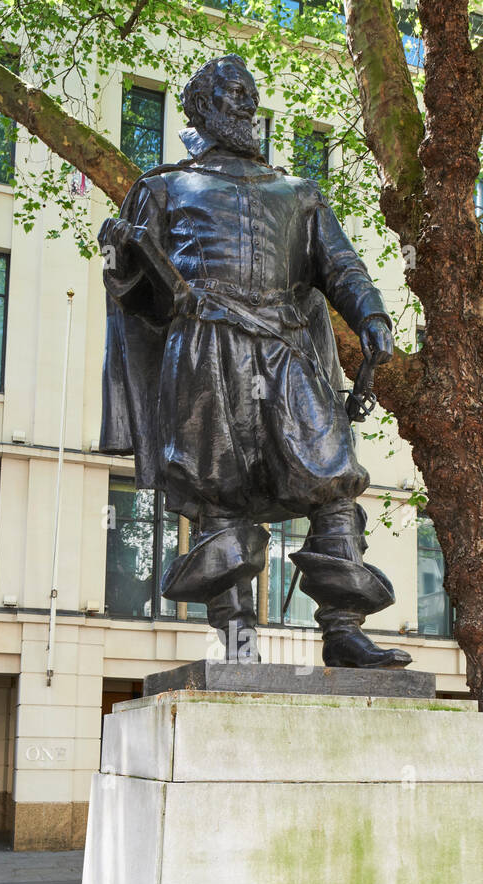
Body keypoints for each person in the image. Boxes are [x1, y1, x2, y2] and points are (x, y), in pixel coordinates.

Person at [99, 53, 411, 668]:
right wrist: (121, 257)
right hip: (206, 348)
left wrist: (372, 316)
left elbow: (341, 265)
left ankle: (343, 629)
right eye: (233, 95)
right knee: (221, 494)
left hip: (288, 347)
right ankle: (238, 645)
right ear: (203, 108)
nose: (246, 105)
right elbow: (131, 291)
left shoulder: (298, 193)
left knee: (332, 478)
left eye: (250, 94)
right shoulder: (161, 187)